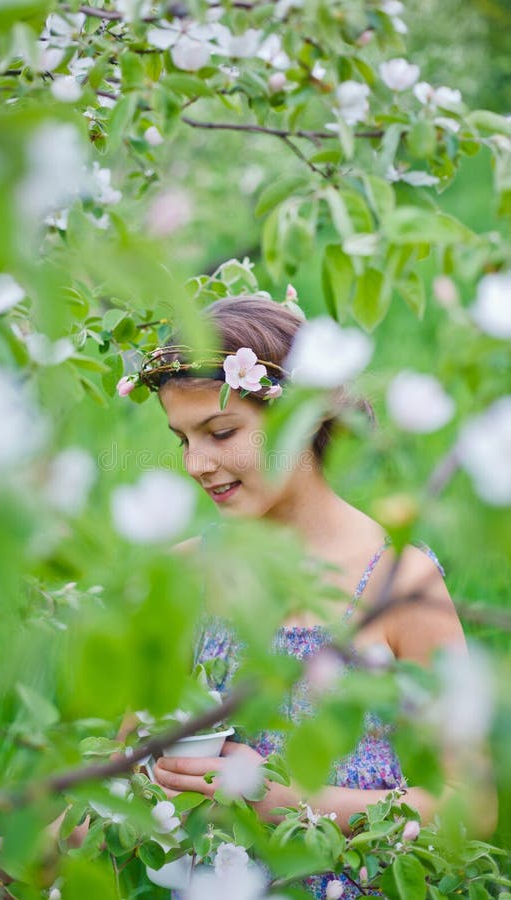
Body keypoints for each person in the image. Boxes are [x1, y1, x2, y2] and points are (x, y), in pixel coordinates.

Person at [133, 295, 489, 895]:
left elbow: (470, 806)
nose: (196, 463)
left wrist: (285, 803)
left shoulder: (399, 583)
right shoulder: (186, 574)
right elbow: (123, 771)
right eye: (182, 440)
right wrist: (25, 850)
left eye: (220, 432)